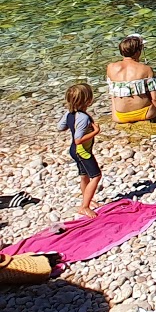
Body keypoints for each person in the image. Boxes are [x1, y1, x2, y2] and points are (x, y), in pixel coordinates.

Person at [105, 35, 156, 124]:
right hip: (145, 113)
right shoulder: (146, 69)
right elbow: (155, 98)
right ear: (137, 52)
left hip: (119, 117)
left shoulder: (111, 67)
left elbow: (112, 94)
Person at [59, 84, 101, 216]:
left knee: (84, 176)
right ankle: (85, 206)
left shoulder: (69, 114)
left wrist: (71, 125)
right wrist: (96, 131)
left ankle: (87, 200)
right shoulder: (83, 118)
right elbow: (78, 139)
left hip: (74, 151)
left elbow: (60, 127)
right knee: (96, 176)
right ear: (88, 101)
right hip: (82, 151)